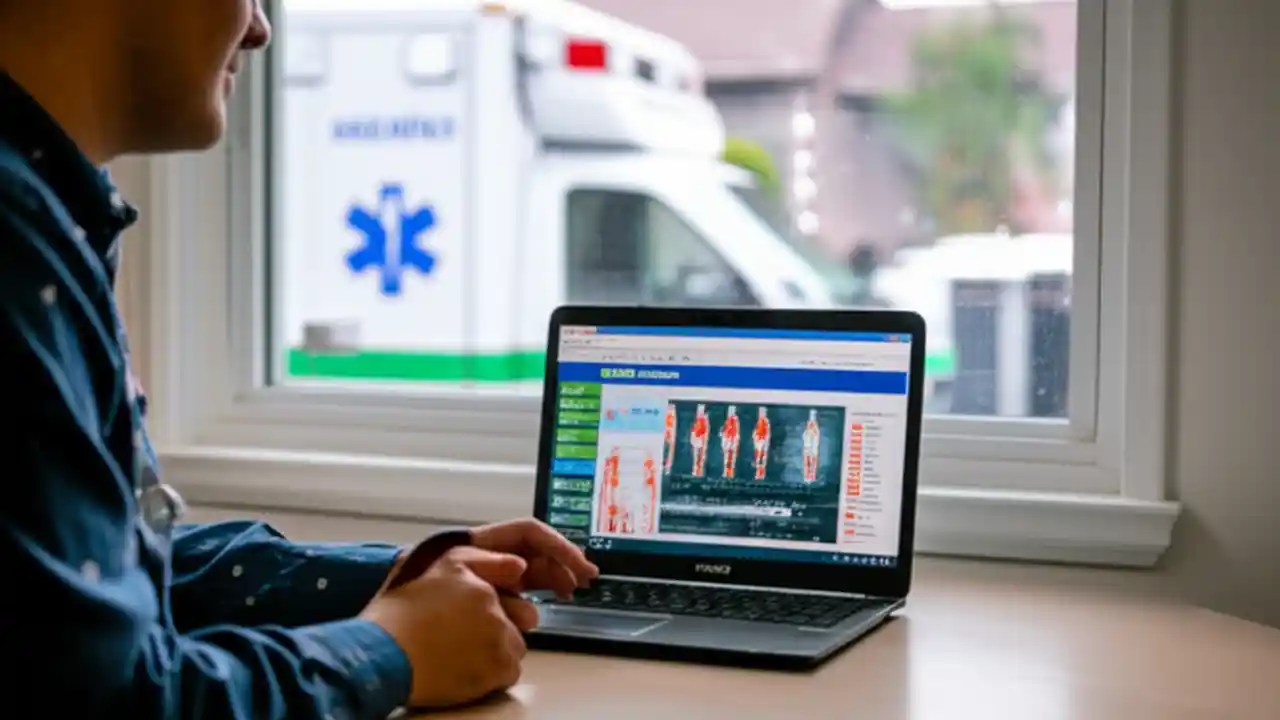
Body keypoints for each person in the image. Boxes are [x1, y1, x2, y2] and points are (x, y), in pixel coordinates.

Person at [0, 2, 598, 718]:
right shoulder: (11, 242)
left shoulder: (42, 216)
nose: (260, 27)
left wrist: (402, 578)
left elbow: (97, 576)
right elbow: (110, 699)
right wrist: (391, 652)